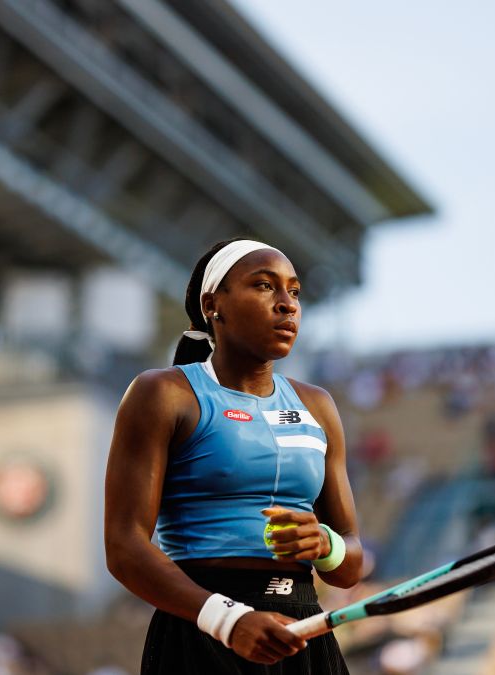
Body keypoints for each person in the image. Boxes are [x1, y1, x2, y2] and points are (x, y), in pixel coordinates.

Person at [104, 239, 363, 673]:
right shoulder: (162, 393)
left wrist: (325, 542)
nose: (287, 305)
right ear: (212, 304)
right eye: (264, 286)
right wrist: (229, 619)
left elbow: (349, 565)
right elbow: (124, 546)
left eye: (294, 292)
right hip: (203, 630)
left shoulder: (318, 405)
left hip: (303, 634)